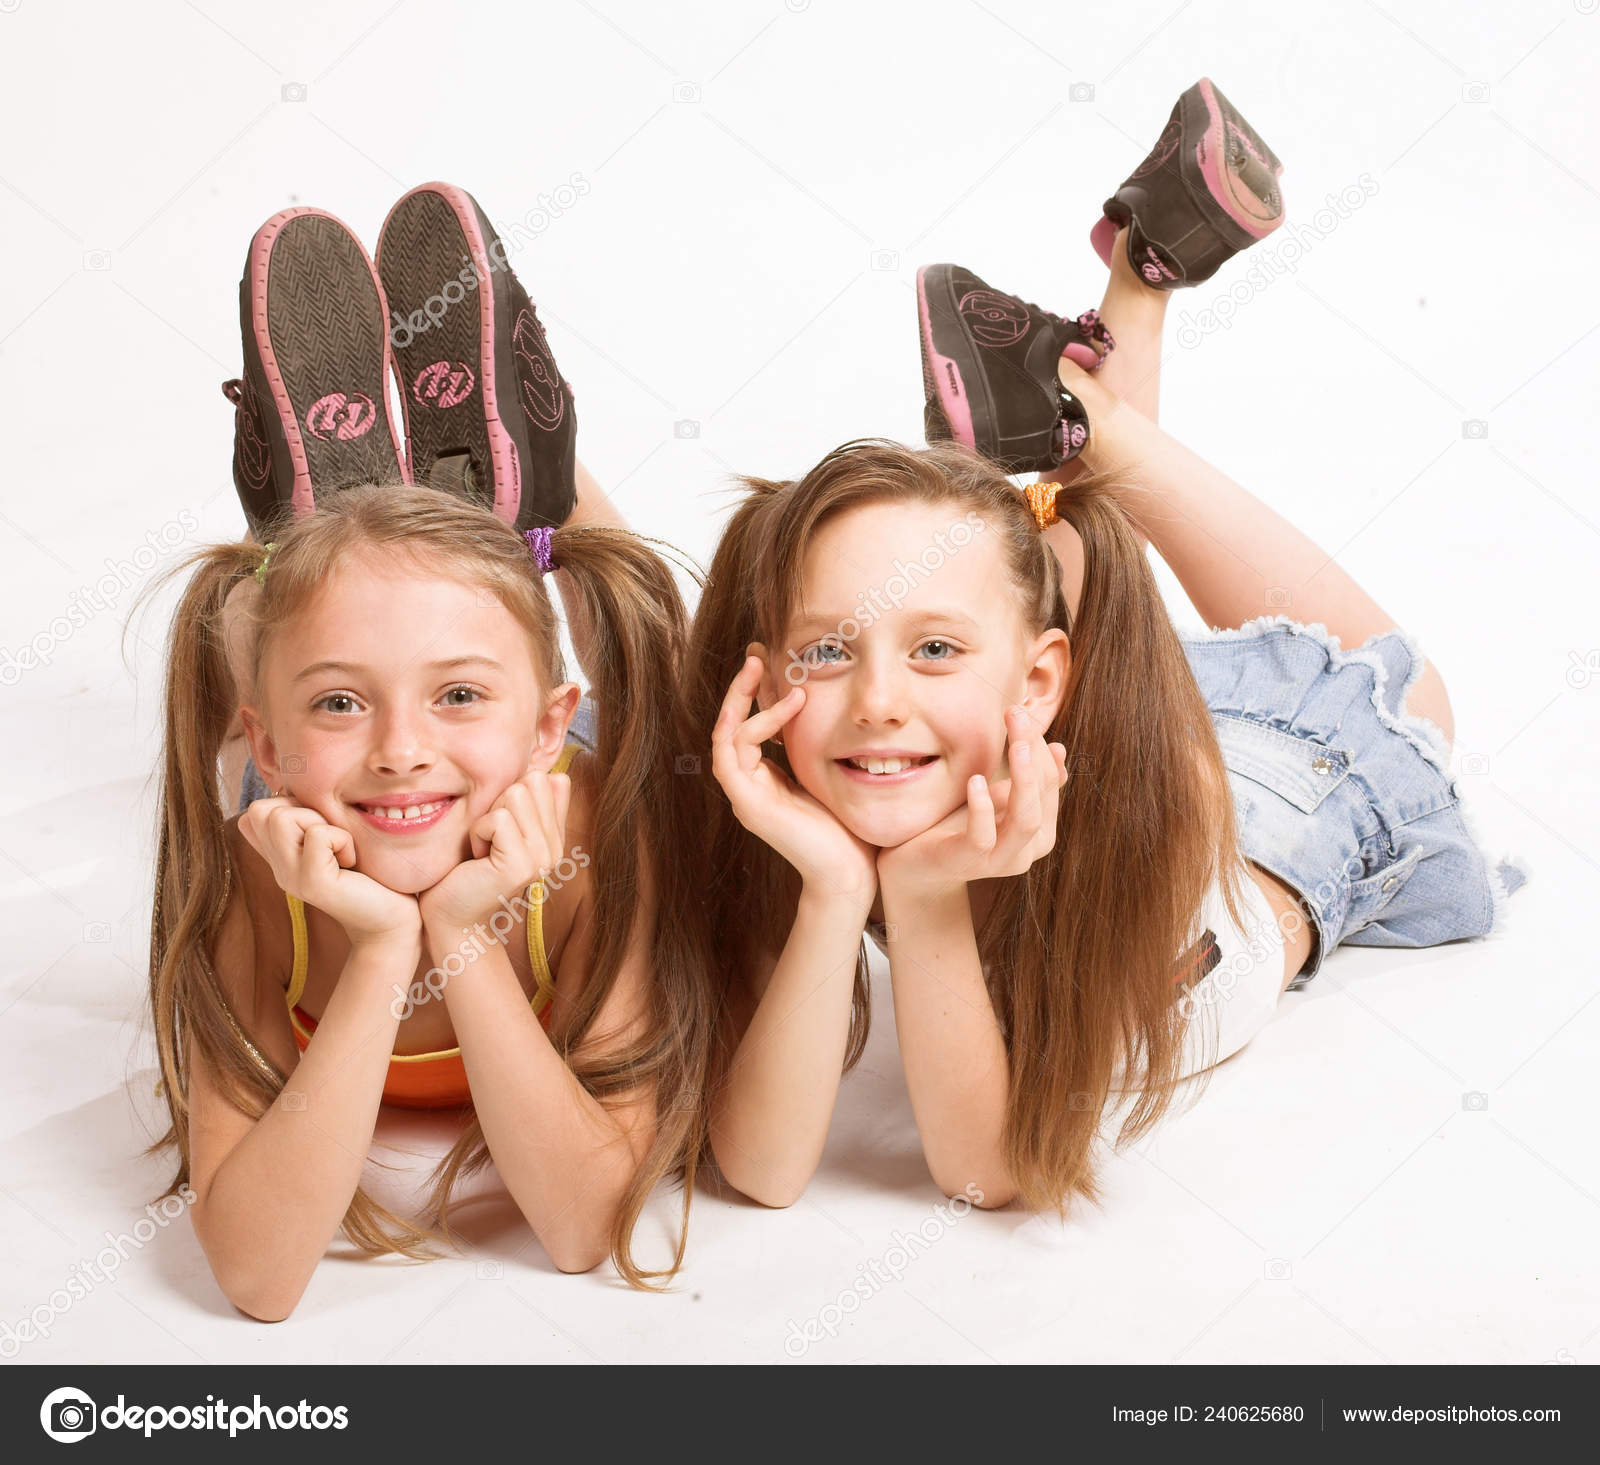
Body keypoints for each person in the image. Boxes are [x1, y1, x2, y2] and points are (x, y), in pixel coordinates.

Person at [689, 79, 1527, 1213]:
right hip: (1062, 708)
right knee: (1038, 557)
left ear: (1044, 685)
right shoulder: (844, 788)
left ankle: (1104, 429)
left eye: (923, 654)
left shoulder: (1139, 829)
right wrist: (836, 887)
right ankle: (1139, 279)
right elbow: (762, 1170)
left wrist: (926, 899)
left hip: (1314, 782)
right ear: (767, 671)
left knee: (1409, 700)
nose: (875, 701)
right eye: (827, 651)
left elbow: (986, 1169)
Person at [135, 185, 712, 1318]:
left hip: (524, 771)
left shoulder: (585, 825)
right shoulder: (263, 862)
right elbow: (257, 1277)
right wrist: (388, 942)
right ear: (264, 747)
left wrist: (466, 928)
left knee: (677, 731)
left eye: (454, 695)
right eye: (343, 706)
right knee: (356, 620)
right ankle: (359, 527)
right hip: (357, 766)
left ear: (553, 727)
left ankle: (533, 490)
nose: (402, 752)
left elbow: (583, 1225)